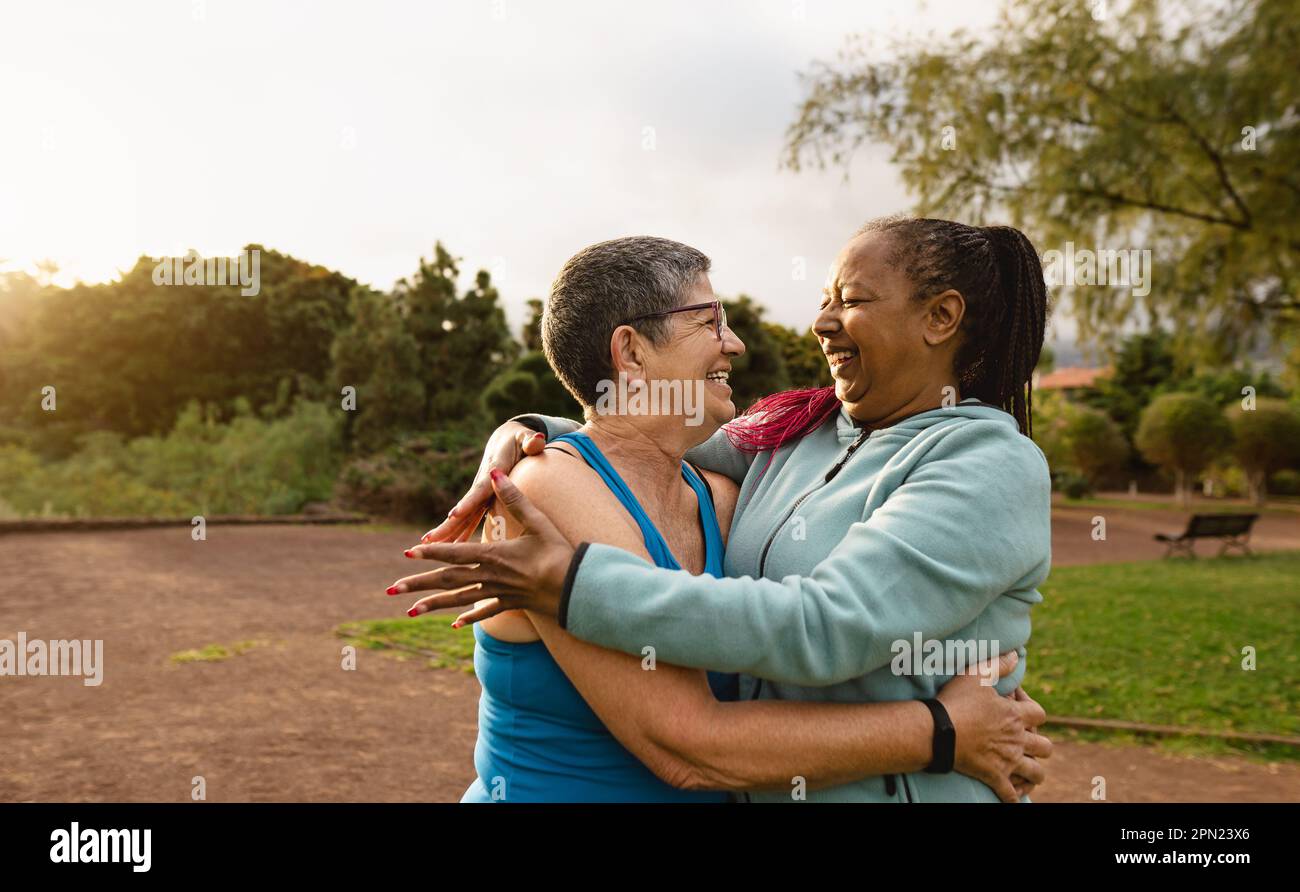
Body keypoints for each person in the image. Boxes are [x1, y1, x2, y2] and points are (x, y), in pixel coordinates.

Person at [400, 220, 1054, 801]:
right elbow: (632, 431)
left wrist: (573, 583)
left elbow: (822, 626)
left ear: (940, 318)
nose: (820, 322)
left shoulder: (987, 465)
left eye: (850, 301)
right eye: (709, 323)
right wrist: (522, 434)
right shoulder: (797, 436)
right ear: (631, 349)